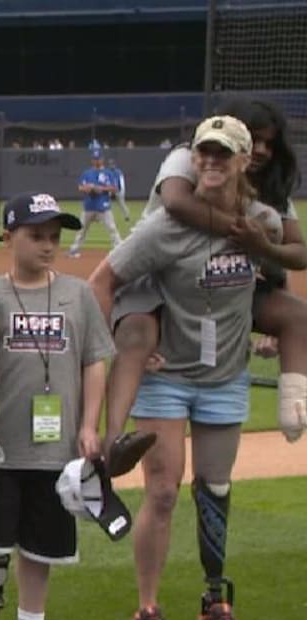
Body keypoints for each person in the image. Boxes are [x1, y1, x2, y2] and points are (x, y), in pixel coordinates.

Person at [88, 116, 282, 620]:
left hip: (225, 377)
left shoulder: (261, 221)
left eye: (223, 153)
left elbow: (277, 280)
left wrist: (271, 330)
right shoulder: (164, 227)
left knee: (215, 490)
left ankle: (215, 604)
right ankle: (147, 610)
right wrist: (114, 345)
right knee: (163, 490)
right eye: (204, 152)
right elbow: (102, 281)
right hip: (168, 377)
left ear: (244, 160)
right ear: (193, 158)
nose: (212, 161)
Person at [107, 97, 307, 465]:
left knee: (296, 313)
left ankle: (296, 405)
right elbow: (177, 203)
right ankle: (112, 442)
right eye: (257, 139)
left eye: (269, 142)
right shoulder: (187, 158)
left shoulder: (267, 192)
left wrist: (262, 247)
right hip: (155, 274)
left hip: (221, 283)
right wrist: (242, 230)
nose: (263, 150)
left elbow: (292, 254)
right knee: (137, 333)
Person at [0, 192, 113, 620]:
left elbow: (94, 360)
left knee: (42, 543)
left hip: (56, 447)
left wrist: (89, 424)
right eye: (36, 235)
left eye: (54, 236)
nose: (48, 245)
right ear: (8, 237)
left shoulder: (77, 294)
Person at [67, 148, 122, 257]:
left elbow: (114, 188)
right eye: (94, 159)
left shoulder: (108, 173)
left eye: (98, 159)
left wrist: (100, 188)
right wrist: (89, 188)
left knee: (112, 228)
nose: (96, 161)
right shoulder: (87, 173)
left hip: (103, 206)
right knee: (81, 229)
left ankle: (120, 250)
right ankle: (74, 250)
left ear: (102, 159)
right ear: (92, 160)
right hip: (89, 206)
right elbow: (80, 187)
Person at [107, 156, 130, 223]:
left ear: (115, 165)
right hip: (110, 190)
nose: (111, 165)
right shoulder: (107, 172)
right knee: (107, 204)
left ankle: (127, 216)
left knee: (122, 204)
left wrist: (120, 190)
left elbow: (121, 182)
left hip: (118, 190)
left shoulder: (118, 172)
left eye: (112, 164)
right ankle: (108, 218)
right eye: (110, 164)